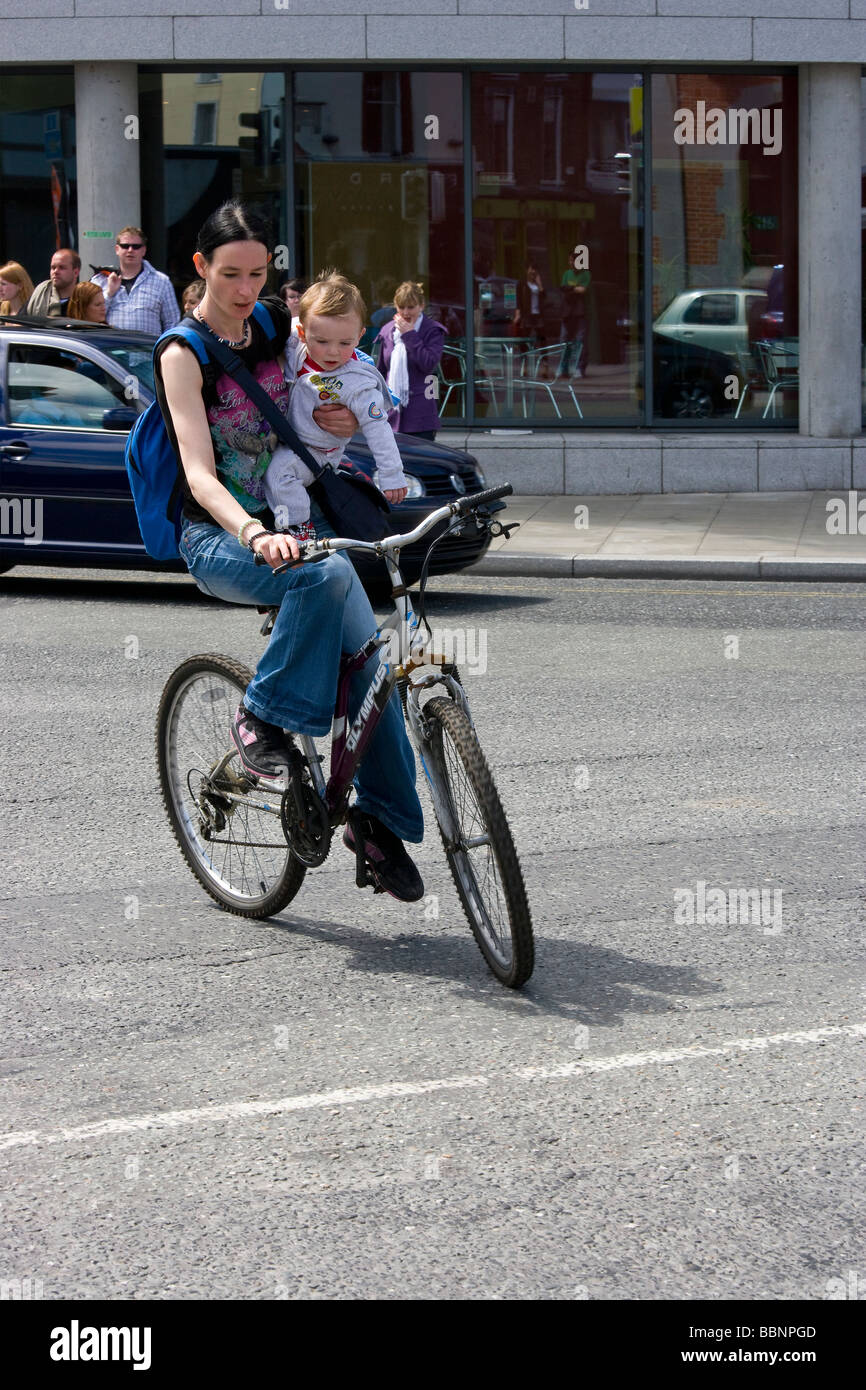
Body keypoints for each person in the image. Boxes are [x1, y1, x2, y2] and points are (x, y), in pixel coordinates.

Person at [155, 200, 424, 901]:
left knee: (371, 671)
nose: (247, 291)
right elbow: (198, 473)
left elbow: (342, 367)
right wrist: (251, 531)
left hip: (296, 524)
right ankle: (262, 716)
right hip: (220, 535)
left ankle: (380, 825)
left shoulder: (277, 326)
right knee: (326, 572)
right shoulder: (183, 353)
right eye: (231, 275)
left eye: (260, 273)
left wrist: (342, 418)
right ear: (200, 268)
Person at [260, 272, 406, 532]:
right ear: (304, 334)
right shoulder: (297, 345)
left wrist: (392, 475)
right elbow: (286, 323)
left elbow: (378, 429)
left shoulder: (357, 382)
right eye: (322, 341)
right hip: (288, 439)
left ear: (360, 336)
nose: (333, 351)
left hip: (316, 451)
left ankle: (298, 529)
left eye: (345, 343)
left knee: (278, 474)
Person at [374, 281, 445, 440]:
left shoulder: (432, 330)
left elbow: (428, 364)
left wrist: (409, 335)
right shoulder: (387, 330)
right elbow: (381, 371)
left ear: (421, 306)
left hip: (421, 415)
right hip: (391, 414)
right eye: (401, 307)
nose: (405, 312)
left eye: (411, 307)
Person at [91, 226, 180, 334]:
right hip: (108, 349)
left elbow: (173, 323)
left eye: (136, 246)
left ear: (144, 250)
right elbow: (89, 318)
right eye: (125, 246)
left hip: (148, 349)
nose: (130, 250)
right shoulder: (100, 281)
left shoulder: (162, 282)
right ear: (117, 249)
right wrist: (109, 293)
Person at [557, 248, 590, 380]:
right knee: (564, 340)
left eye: (573, 260)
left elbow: (582, 290)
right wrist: (573, 289)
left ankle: (579, 368)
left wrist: (569, 289)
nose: (571, 263)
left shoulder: (585, 274)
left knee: (579, 340)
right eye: (570, 260)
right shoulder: (566, 274)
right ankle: (563, 368)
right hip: (567, 312)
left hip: (579, 312)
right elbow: (563, 289)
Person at [26, 248, 80, 317]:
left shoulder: (83, 302)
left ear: (76, 272)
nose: (56, 271)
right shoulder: (40, 295)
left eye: (62, 267)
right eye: (53, 267)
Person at [513, 263, 546, 350]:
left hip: (538, 314)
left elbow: (544, 297)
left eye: (535, 269)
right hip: (527, 314)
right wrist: (518, 313)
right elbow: (518, 299)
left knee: (542, 337)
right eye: (531, 269)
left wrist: (540, 285)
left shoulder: (538, 283)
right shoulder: (522, 284)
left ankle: (544, 360)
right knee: (524, 337)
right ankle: (524, 359)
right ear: (527, 270)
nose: (533, 271)